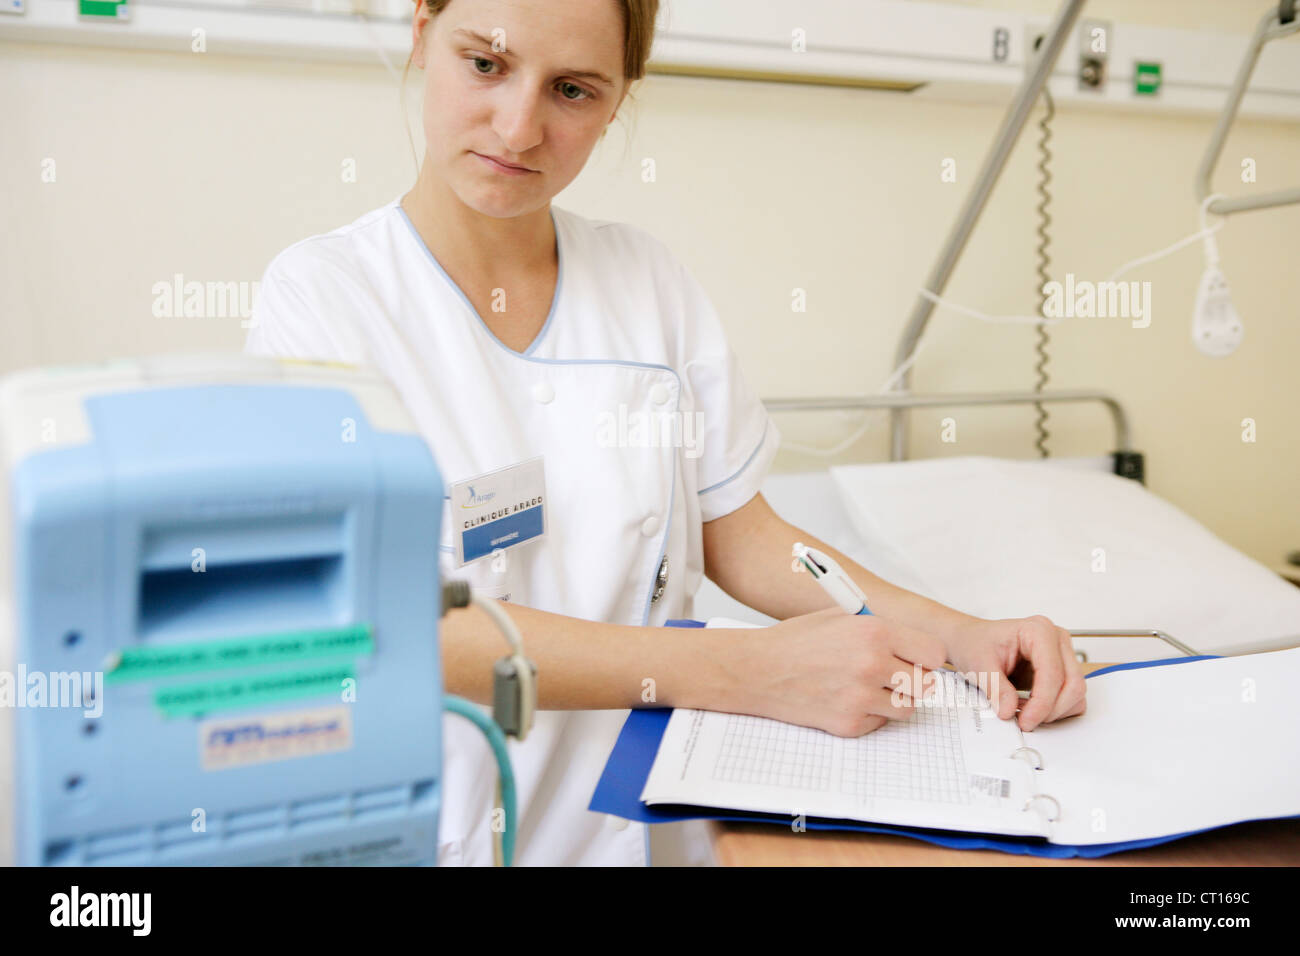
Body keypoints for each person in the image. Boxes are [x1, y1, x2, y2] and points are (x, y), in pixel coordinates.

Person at [244, 0, 1086, 866]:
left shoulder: (644, 281)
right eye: (487, 65)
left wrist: (956, 635)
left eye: (572, 90)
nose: (519, 125)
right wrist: (748, 672)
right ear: (423, 31)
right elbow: (384, 624)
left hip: (654, 821)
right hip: (457, 829)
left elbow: (744, 536)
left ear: (617, 104)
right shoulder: (325, 299)